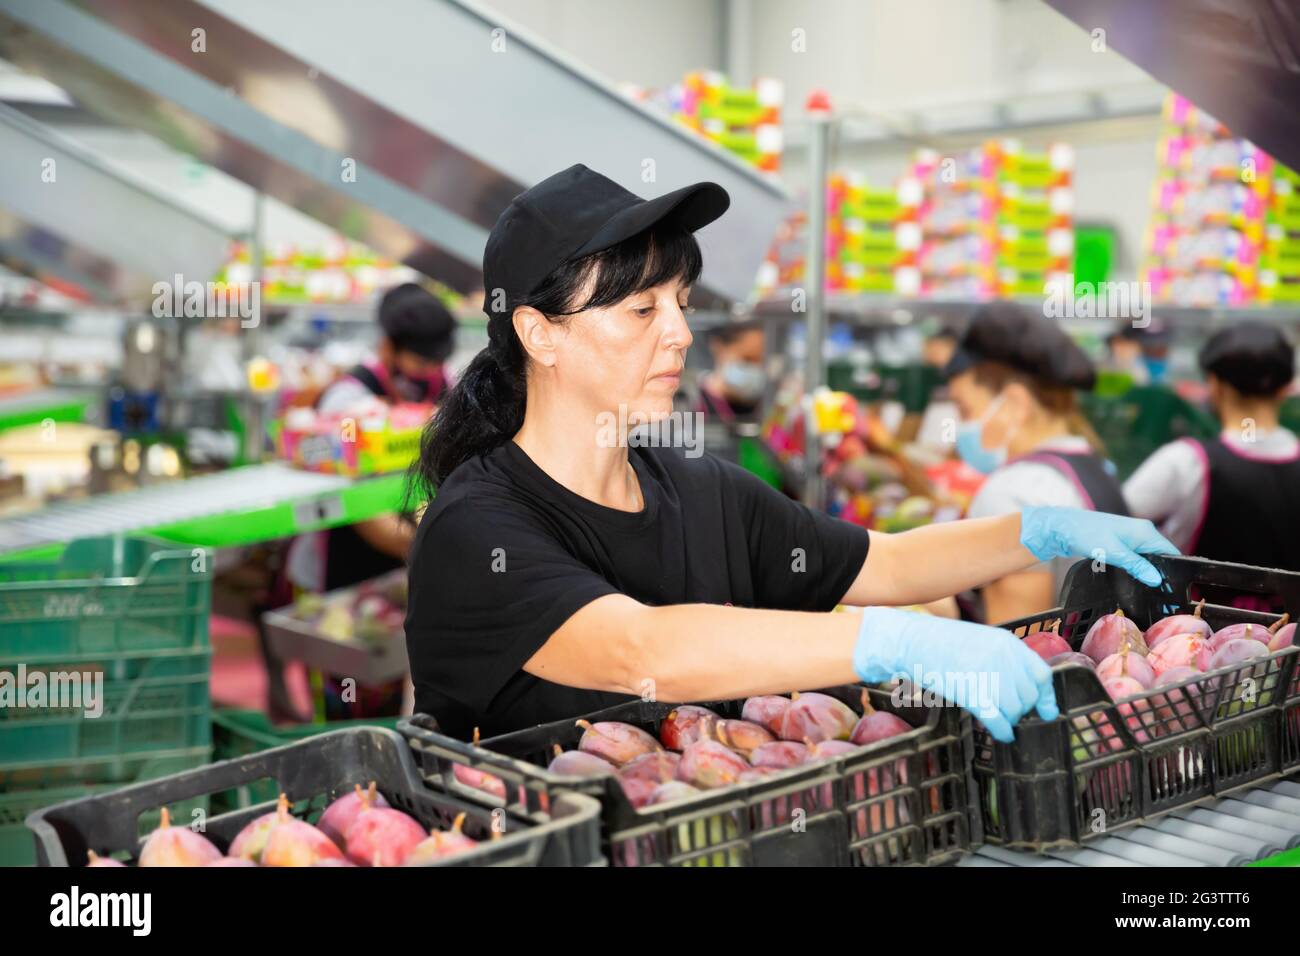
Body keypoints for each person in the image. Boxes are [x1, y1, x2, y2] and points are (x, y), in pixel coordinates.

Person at [403, 164, 1176, 744]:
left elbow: (893, 565)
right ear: (540, 334)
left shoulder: (704, 493)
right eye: (641, 308)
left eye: (682, 304)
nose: (677, 333)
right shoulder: (478, 528)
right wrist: (889, 640)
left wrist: (1038, 531)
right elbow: (637, 650)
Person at [278, 282, 456, 719]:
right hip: (347, 565)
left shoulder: (445, 388)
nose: (428, 370)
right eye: (420, 358)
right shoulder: (349, 399)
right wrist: (434, 545)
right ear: (387, 347)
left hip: (406, 564)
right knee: (349, 692)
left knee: (407, 689)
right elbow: (355, 505)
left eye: (437, 359)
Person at [944, 303, 1129, 624]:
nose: (962, 426)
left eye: (964, 408)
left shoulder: (1011, 495)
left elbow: (1018, 645)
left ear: (1014, 403)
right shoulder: (1095, 467)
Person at [1124, 321, 1299, 578]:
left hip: (1198, 617)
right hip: (1289, 618)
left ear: (1214, 384)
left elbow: (1113, 523)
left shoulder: (1186, 462)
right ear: (1285, 389)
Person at [696, 321, 766, 422]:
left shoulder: (762, 407)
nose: (755, 367)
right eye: (747, 359)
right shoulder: (697, 404)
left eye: (760, 361)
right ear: (718, 348)